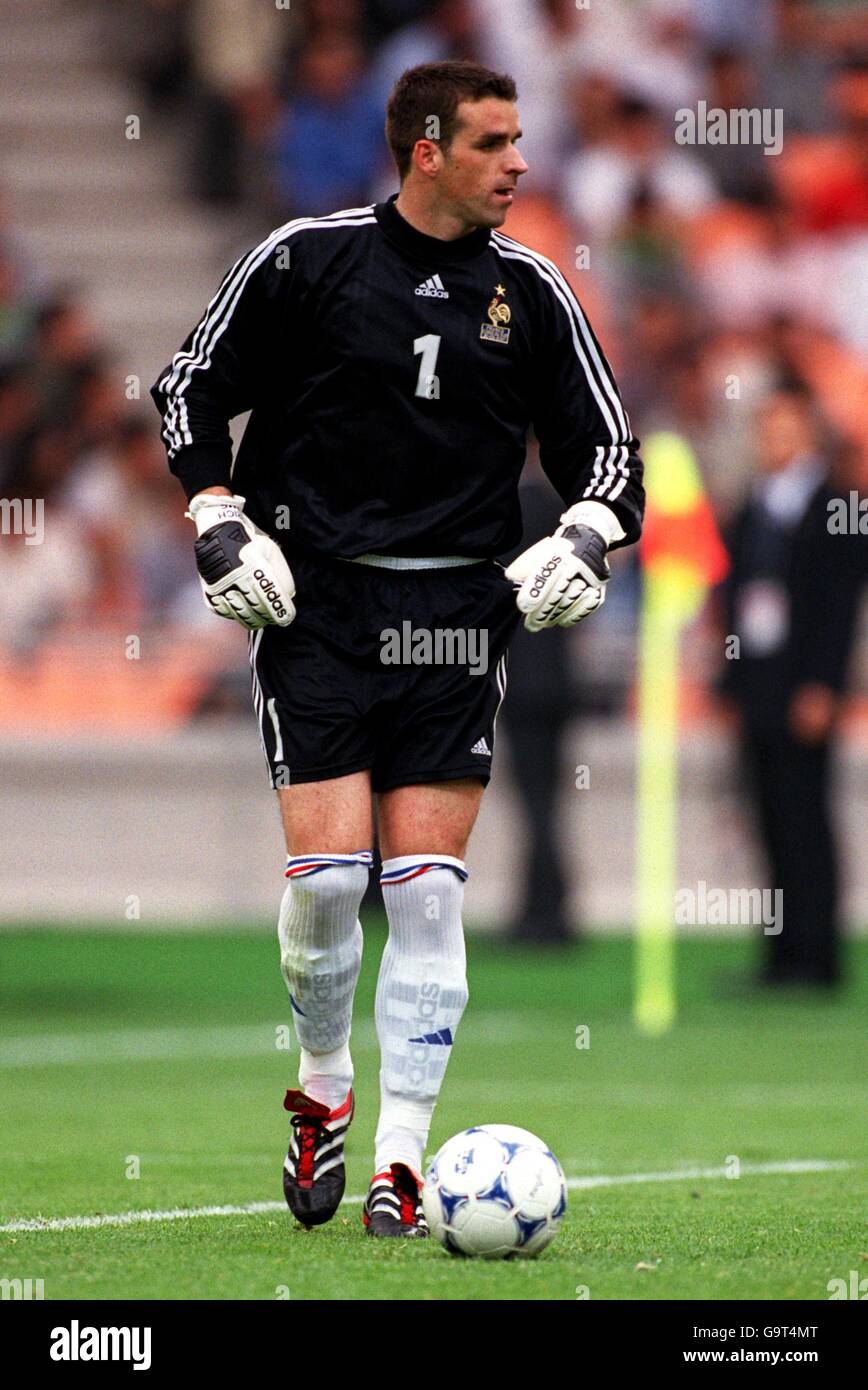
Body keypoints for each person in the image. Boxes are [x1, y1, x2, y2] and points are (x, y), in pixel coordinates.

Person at [151, 60, 644, 1238]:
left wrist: (583, 533)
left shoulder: (530, 290)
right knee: (328, 887)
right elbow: (182, 395)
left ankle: (402, 1161)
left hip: (454, 620)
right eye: (493, 143)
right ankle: (322, 1088)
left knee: (425, 899)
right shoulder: (303, 259)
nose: (518, 163)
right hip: (315, 609)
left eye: (519, 140)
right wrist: (217, 516)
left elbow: (613, 457)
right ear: (426, 150)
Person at [719, 382, 865, 989]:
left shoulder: (835, 510)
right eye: (765, 428)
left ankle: (816, 955)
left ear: (808, 434)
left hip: (805, 687)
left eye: (783, 428)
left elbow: (839, 609)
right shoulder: (751, 509)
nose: (771, 440)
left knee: (807, 818)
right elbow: (732, 601)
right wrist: (729, 683)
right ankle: (780, 956)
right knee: (769, 818)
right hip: (758, 684)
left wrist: (824, 685)